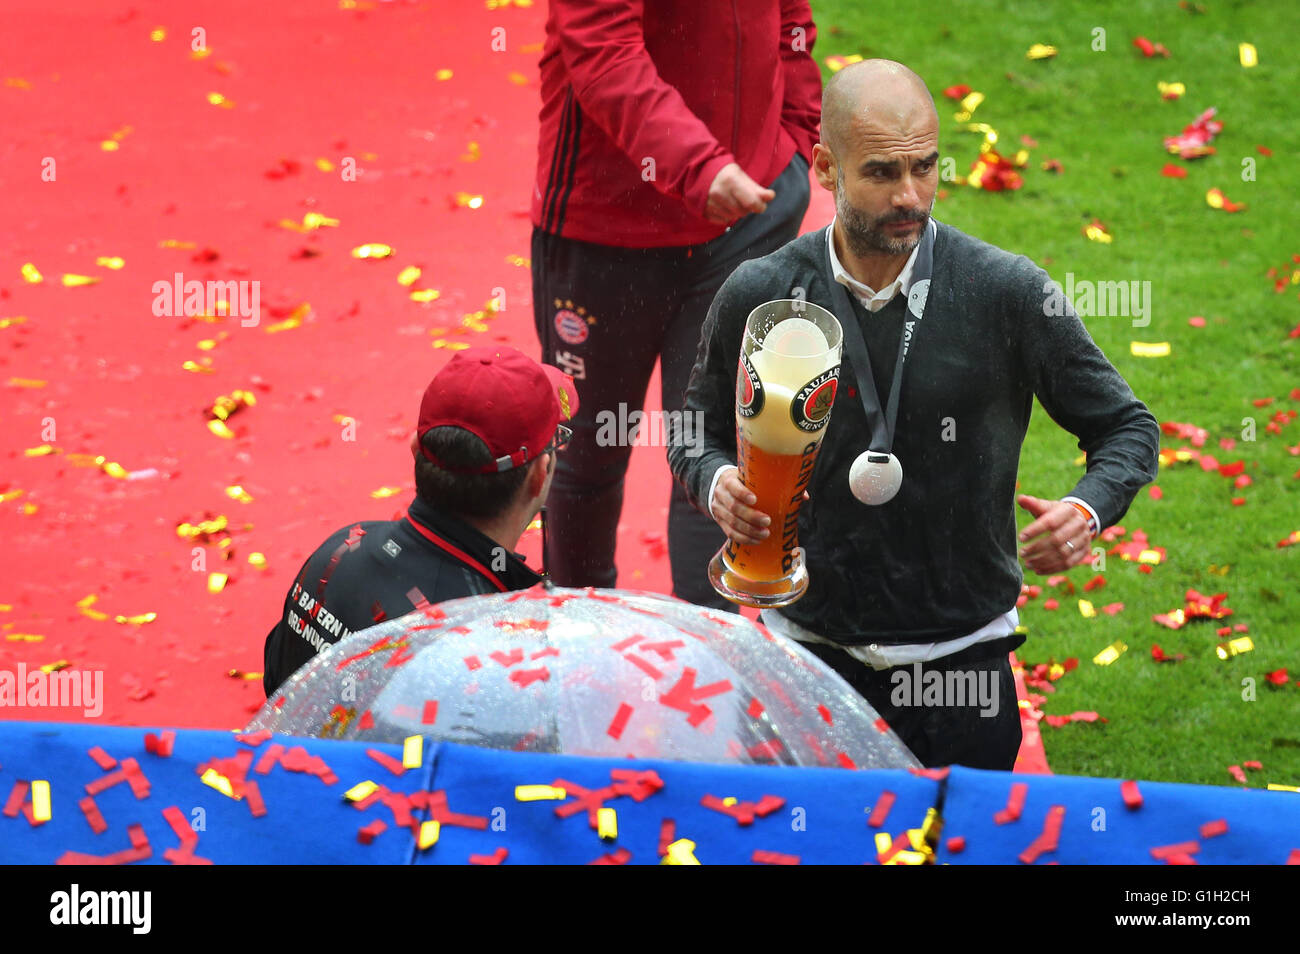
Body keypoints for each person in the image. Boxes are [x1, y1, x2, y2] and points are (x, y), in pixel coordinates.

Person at [667, 60, 1161, 769]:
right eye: (882, 173)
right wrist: (718, 484)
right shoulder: (763, 291)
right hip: (808, 656)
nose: (910, 195)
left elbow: (1126, 427)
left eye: (925, 167)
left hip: (965, 665)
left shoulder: (1005, 292)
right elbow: (694, 426)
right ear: (826, 169)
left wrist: (1087, 511)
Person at [530, 0, 823, 609]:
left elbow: (790, 17)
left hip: (742, 217)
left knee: (714, 445)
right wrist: (698, 166)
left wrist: (796, 132)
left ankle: (705, 676)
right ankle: (579, 656)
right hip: (607, 231)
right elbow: (602, 46)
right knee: (589, 452)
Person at [262, 346, 579, 696]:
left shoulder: (336, 555)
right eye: (556, 443)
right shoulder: (506, 652)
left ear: (415, 447)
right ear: (540, 474)